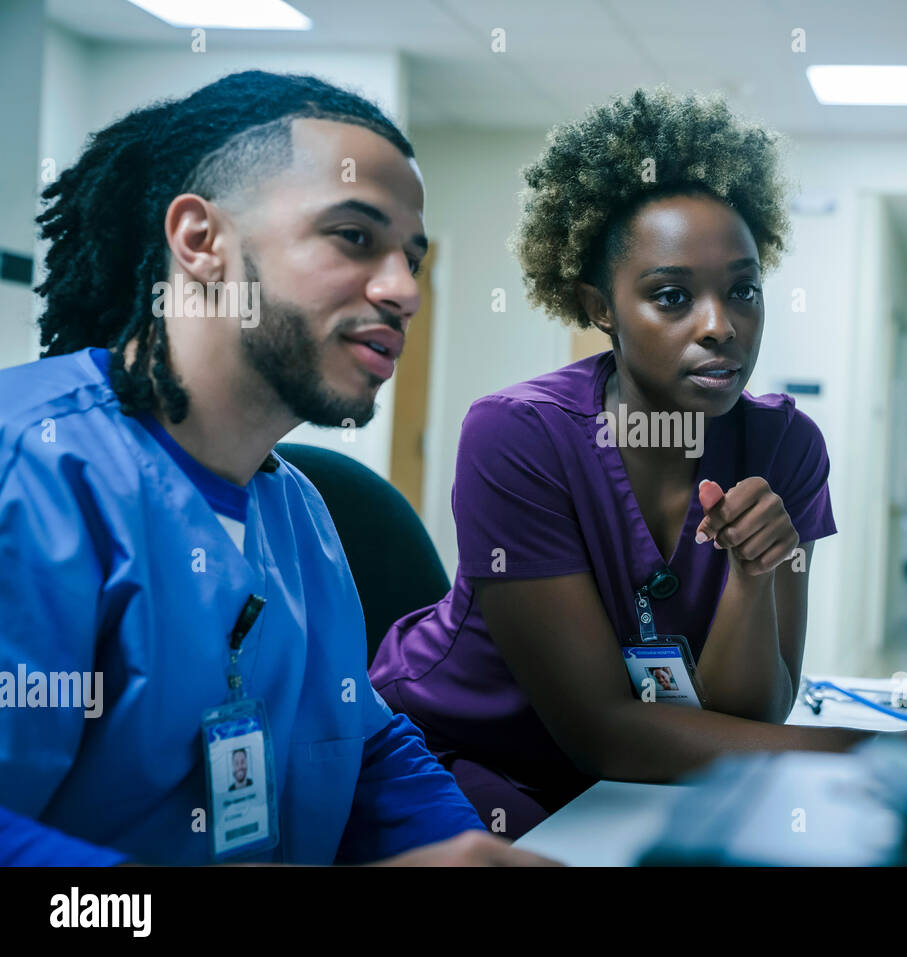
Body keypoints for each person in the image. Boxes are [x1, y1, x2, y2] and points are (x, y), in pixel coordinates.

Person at [0, 70, 550, 866]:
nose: (402, 291)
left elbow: (362, 747)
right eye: (354, 237)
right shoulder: (34, 472)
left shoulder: (298, 510)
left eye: (413, 258)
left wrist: (466, 849)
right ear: (200, 242)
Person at [369, 89, 907, 840]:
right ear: (599, 305)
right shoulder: (518, 436)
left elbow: (754, 715)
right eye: (672, 296)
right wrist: (878, 753)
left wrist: (753, 572)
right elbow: (602, 733)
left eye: (743, 290)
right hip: (460, 755)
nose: (720, 326)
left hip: (636, 777)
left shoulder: (784, 448)